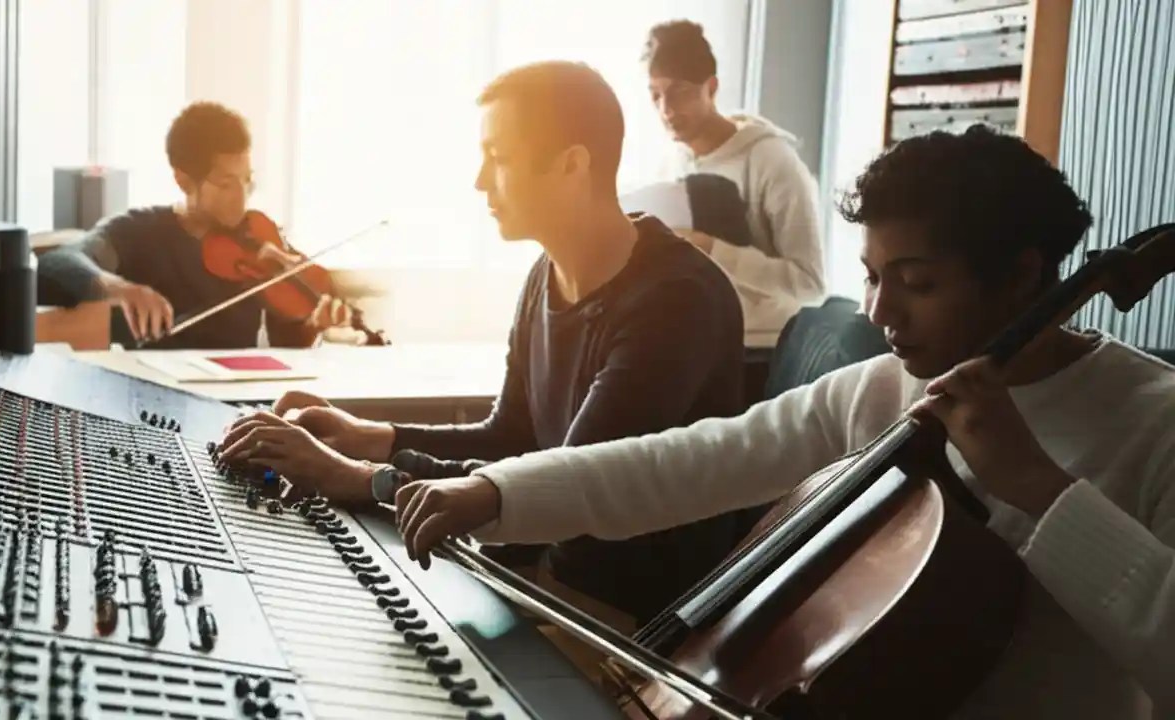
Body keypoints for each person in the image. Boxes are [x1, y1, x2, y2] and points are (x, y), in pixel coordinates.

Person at [394, 126, 1175, 719]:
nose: (879, 314)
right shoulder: (881, 389)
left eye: (918, 283)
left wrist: (1040, 487)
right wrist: (495, 492)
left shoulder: (1156, 420)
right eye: (871, 278)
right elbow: (692, 462)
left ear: (1023, 277)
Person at [219, 61, 749, 626]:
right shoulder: (547, 272)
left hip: (616, 617)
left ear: (572, 165)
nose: (479, 181)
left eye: (498, 158)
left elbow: (566, 492)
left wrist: (350, 475)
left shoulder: (675, 300)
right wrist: (374, 438)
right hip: (540, 573)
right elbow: (512, 438)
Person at [38, 101, 348, 348]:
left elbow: (287, 342)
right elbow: (60, 261)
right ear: (184, 180)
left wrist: (311, 326)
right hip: (151, 393)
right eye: (226, 184)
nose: (241, 198)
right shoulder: (139, 230)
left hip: (232, 396)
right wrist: (117, 288)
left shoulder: (258, 239)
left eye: (247, 180)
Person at [643, 20, 826, 342]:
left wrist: (712, 249)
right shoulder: (670, 164)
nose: (666, 110)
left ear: (711, 88)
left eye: (679, 92)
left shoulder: (773, 161)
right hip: (692, 342)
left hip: (762, 348)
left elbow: (809, 283)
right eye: (655, 95)